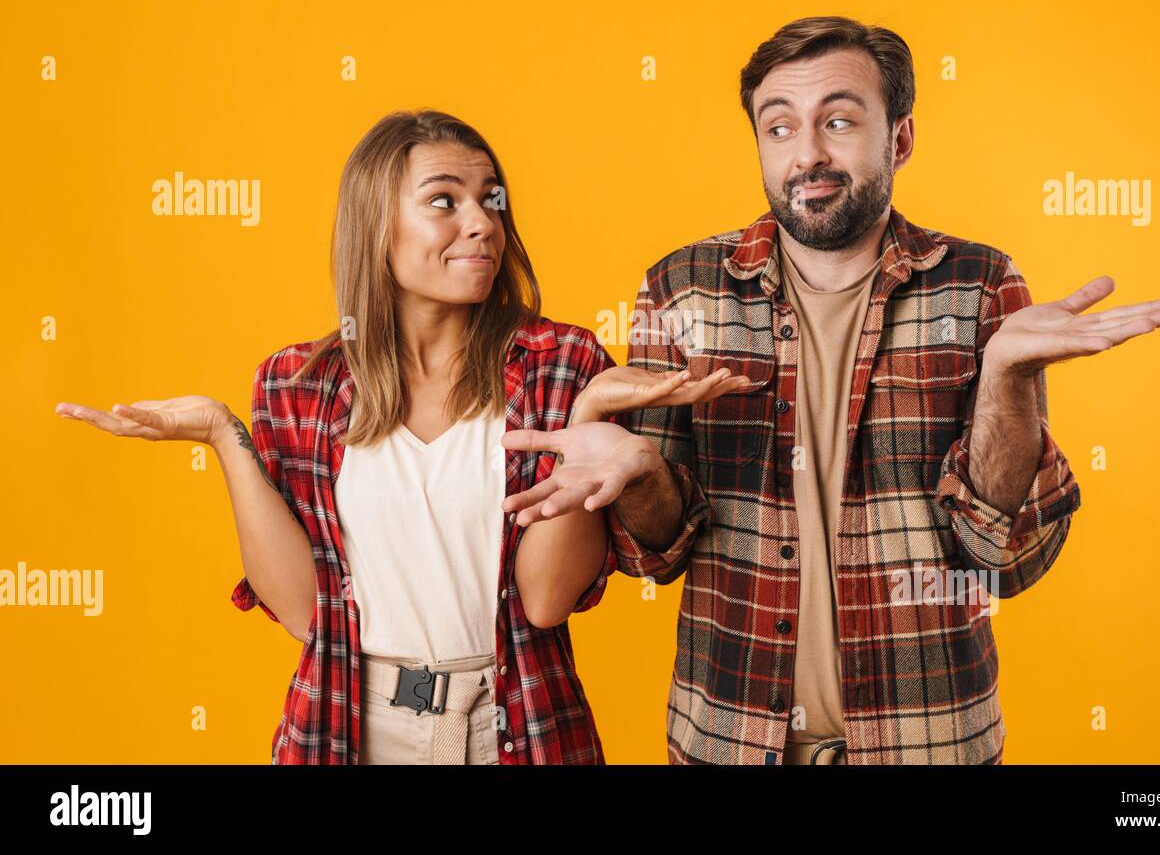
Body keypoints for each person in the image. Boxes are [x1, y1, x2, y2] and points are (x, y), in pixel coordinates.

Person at [507, 16, 1160, 764]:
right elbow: (658, 554)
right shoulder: (680, 289)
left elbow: (1002, 555)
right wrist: (638, 471)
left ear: (899, 138)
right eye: (780, 127)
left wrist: (1006, 378)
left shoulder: (981, 285)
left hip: (931, 743)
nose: (808, 154)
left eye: (838, 120)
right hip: (727, 741)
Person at [54, 109, 735, 765]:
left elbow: (547, 597)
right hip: (349, 723)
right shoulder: (299, 385)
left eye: (491, 200)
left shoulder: (563, 364)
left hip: (515, 723)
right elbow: (302, 610)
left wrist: (585, 416)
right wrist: (221, 432)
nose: (481, 223)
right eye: (444, 201)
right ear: (377, 225)